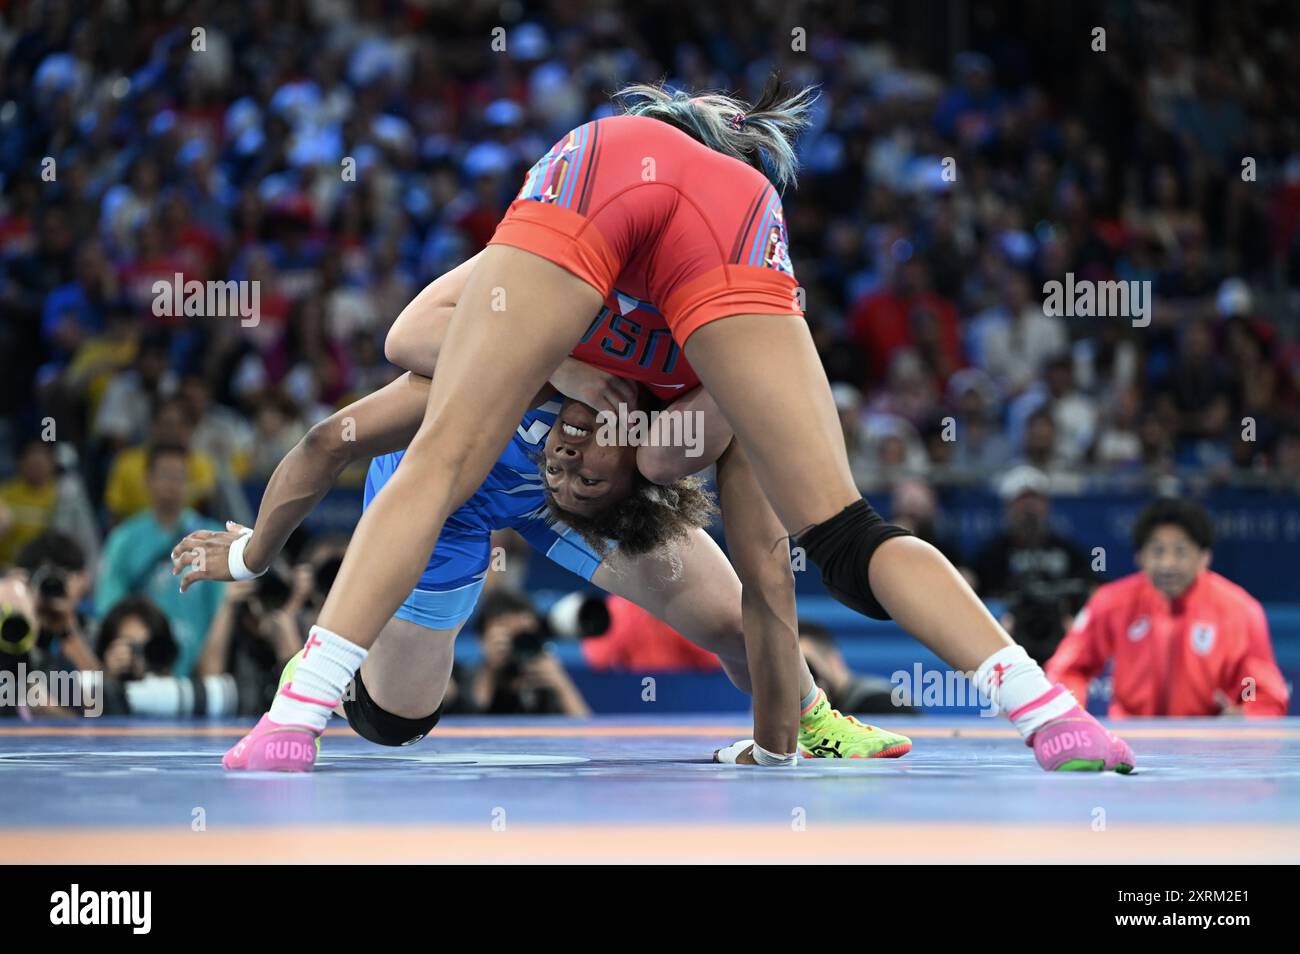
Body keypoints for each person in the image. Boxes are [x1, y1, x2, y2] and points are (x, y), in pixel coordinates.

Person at [222, 79, 1133, 773]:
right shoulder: (636, 378)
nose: (575, 458)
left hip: (616, 179)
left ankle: (293, 716)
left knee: (443, 461)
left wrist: (779, 742)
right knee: (849, 535)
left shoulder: (688, 414)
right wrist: (565, 364)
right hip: (730, 218)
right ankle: (1046, 708)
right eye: (584, 463)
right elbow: (390, 357)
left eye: (584, 469)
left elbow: (767, 586)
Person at [177, 367, 910, 759]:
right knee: (395, 723)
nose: (561, 450)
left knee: (733, 623)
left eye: (584, 461)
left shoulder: (658, 392)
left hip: (580, 505)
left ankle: (817, 719)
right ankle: (331, 676)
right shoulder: (493, 366)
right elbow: (326, 442)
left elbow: (744, 400)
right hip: (444, 501)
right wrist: (249, 557)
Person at [1046, 499, 1289, 717]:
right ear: (1139, 557)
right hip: (1128, 743)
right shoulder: (1110, 602)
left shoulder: (1240, 610)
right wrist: (1070, 713)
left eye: (1181, 551)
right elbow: (1068, 669)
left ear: (1204, 557)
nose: (1168, 564)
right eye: (1157, 551)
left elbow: (1265, 694)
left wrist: (1246, 715)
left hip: (1208, 748)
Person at [96, 443, 224, 676]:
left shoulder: (212, 538)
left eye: (179, 476)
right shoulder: (123, 539)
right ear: (148, 480)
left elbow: (221, 612)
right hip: (138, 672)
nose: (172, 484)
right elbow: (110, 610)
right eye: (165, 475)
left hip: (196, 673)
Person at [468, 588, 589, 716]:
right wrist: (490, 671)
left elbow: (587, 731)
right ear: (482, 639)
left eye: (523, 635)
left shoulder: (541, 679)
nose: (516, 644)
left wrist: (561, 685)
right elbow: (464, 725)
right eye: (508, 636)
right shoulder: (462, 676)